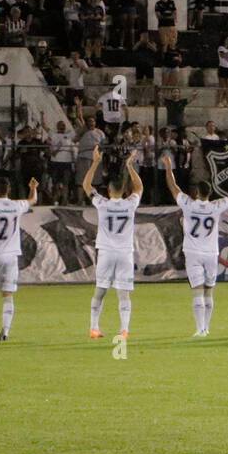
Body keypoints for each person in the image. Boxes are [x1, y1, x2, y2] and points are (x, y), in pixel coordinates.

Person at [163, 156, 228, 337]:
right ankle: (207, 328)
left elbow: (173, 187)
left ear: (196, 193)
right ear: (209, 194)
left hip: (193, 252)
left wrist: (168, 168)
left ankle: (200, 329)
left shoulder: (188, 204)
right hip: (211, 253)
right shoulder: (215, 206)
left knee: (197, 291)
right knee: (209, 291)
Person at [82, 145, 144, 340]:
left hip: (106, 252)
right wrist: (129, 165)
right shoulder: (130, 203)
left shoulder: (102, 203)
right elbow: (139, 187)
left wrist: (95, 163)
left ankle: (94, 328)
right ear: (123, 191)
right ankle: (124, 330)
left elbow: (86, 186)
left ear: (108, 191)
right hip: (124, 252)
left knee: (100, 291)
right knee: (123, 294)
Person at [0, 176, 38, 342]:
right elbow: (33, 200)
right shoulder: (16, 205)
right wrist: (33, 187)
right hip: (11, 256)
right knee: (7, 294)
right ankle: (5, 333)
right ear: (8, 190)